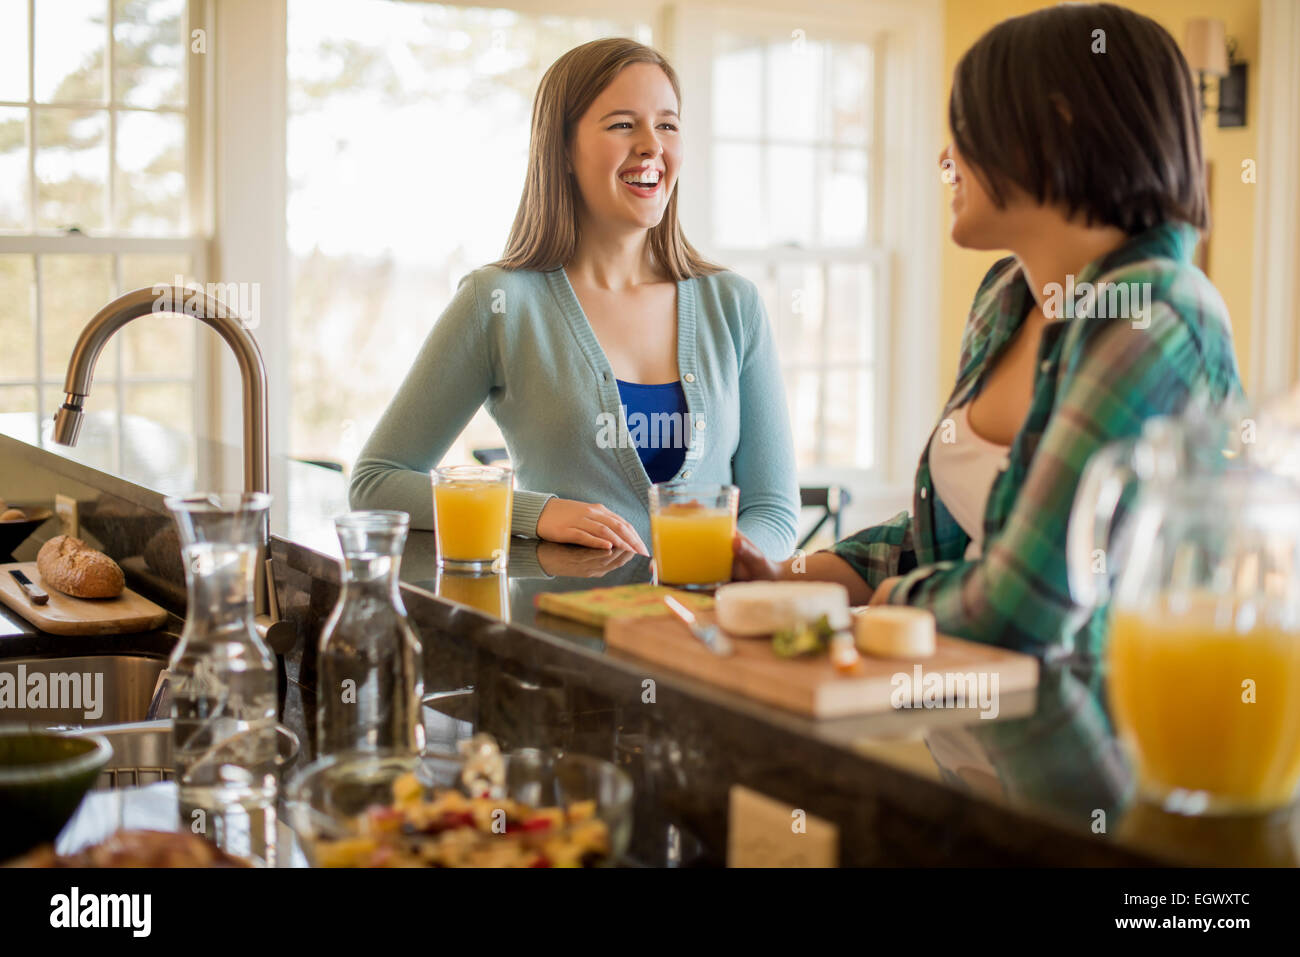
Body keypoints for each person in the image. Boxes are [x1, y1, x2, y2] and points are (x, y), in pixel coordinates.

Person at [731, 3, 1243, 657]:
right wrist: (789, 576)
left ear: (1058, 123)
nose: (947, 158)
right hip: (970, 740)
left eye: (968, 128)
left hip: (1098, 749)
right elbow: (940, 534)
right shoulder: (1006, 298)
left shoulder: (1154, 315)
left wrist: (892, 602)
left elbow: (1024, 603)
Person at [349, 38, 799, 561]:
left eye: (668, 124)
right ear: (561, 149)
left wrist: (714, 571)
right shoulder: (499, 302)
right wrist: (533, 512)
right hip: (561, 634)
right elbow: (375, 482)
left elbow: (774, 508)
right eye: (623, 124)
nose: (652, 145)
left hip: (702, 635)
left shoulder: (734, 304)